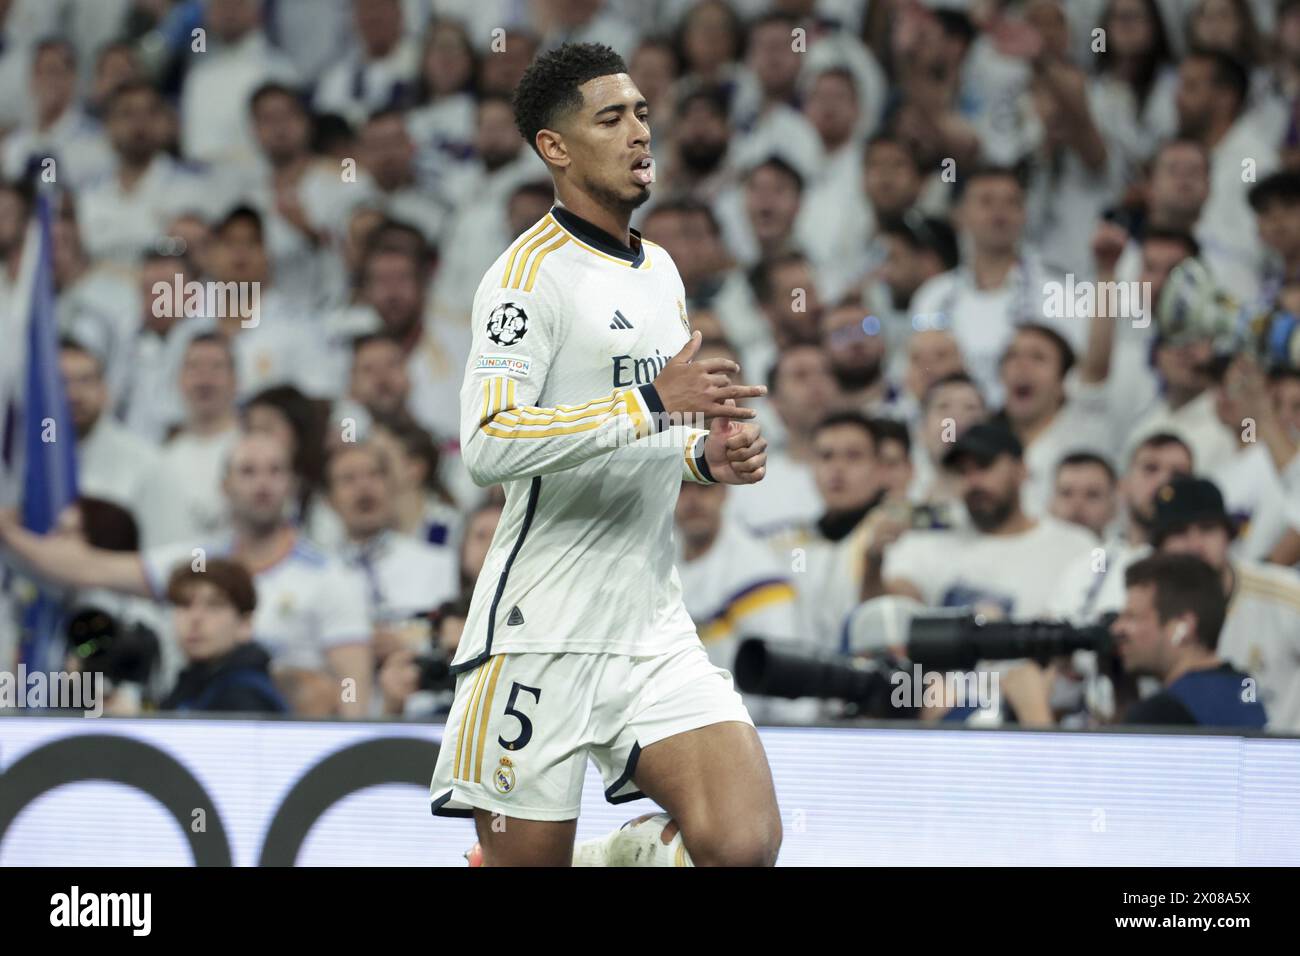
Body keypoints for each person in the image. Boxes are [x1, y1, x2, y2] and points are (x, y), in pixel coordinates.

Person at [430, 42, 781, 868]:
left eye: (643, 114)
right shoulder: (524, 280)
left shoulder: (659, 270)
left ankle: (621, 855)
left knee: (743, 843)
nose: (639, 134)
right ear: (555, 147)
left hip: (649, 626)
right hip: (538, 631)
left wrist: (703, 459)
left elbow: (641, 438)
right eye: (612, 118)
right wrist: (655, 401)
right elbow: (487, 443)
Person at [0, 432, 374, 718]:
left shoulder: (332, 576)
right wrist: (8, 531)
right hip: (196, 711)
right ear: (224, 486)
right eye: (248, 471)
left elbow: (354, 700)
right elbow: (88, 567)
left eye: (275, 471)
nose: (263, 483)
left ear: (292, 485)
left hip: (287, 738)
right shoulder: (196, 563)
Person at [1002, 552, 1266, 730]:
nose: (1117, 628)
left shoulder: (1165, 713)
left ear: (1183, 627)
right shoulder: (1236, 687)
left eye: (1132, 617)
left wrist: (1033, 711)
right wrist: (1124, 693)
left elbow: (1084, 801)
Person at [874, 422, 1096, 618]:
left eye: (984, 466)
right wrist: (872, 562)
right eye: (962, 471)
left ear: (1021, 470)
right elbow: (893, 607)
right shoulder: (933, 537)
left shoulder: (1075, 546)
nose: (973, 481)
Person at [1151, 476, 1300, 732]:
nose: (1195, 545)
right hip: (1185, 759)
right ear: (1159, 548)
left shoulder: (1285, 593)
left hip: (1282, 758)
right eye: (1179, 533)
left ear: (1228, 536)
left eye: (1207, 529)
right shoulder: (1145, 609)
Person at [160, 560, 288, 715]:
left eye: (214, 605)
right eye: (185, 605)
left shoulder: (244, 696)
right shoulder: (196, 682)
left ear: (245, 624)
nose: (195, 618)